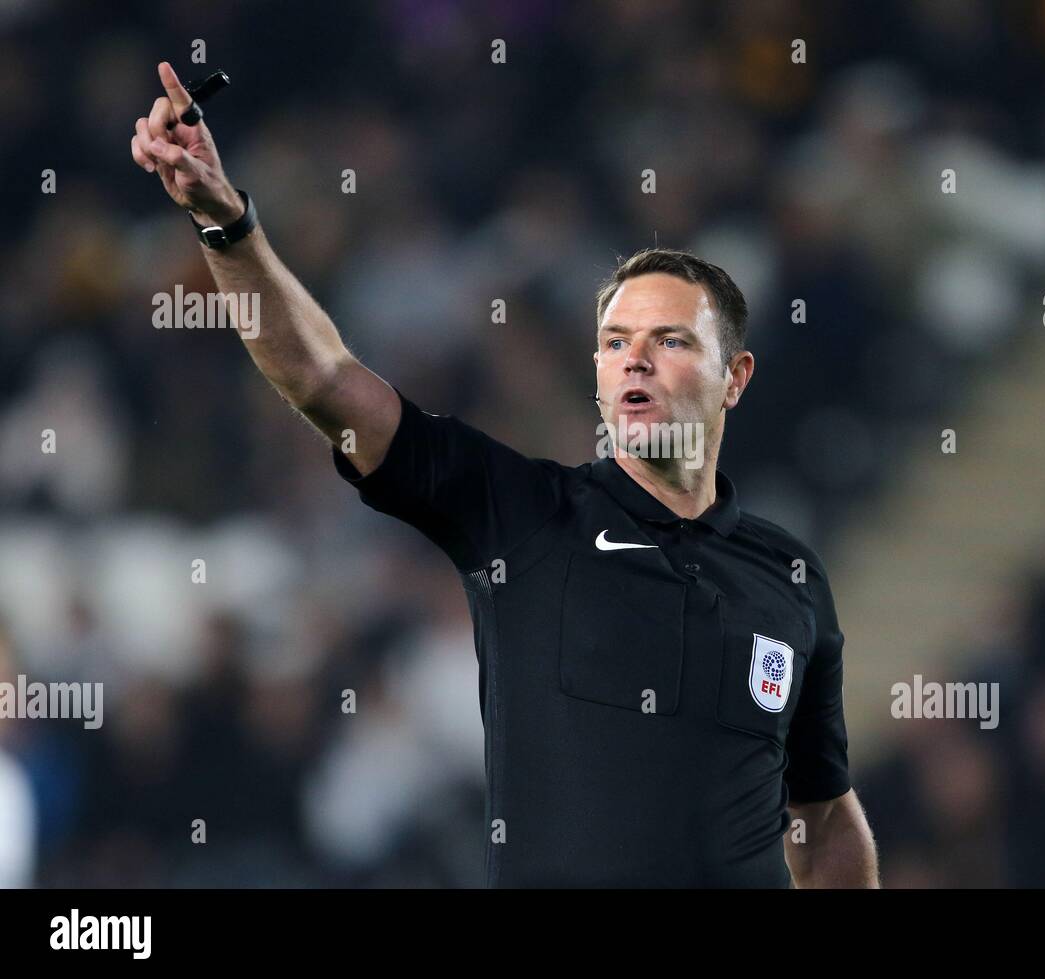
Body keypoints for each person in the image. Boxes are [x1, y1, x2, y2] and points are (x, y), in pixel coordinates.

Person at [130, 61, 878, 887]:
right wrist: (226, 223)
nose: (635, 360)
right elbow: (323, 380)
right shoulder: (524, 517)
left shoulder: (792, 580)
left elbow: (825, 816)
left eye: (669, 340)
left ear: (734, 376)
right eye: (616, 341)